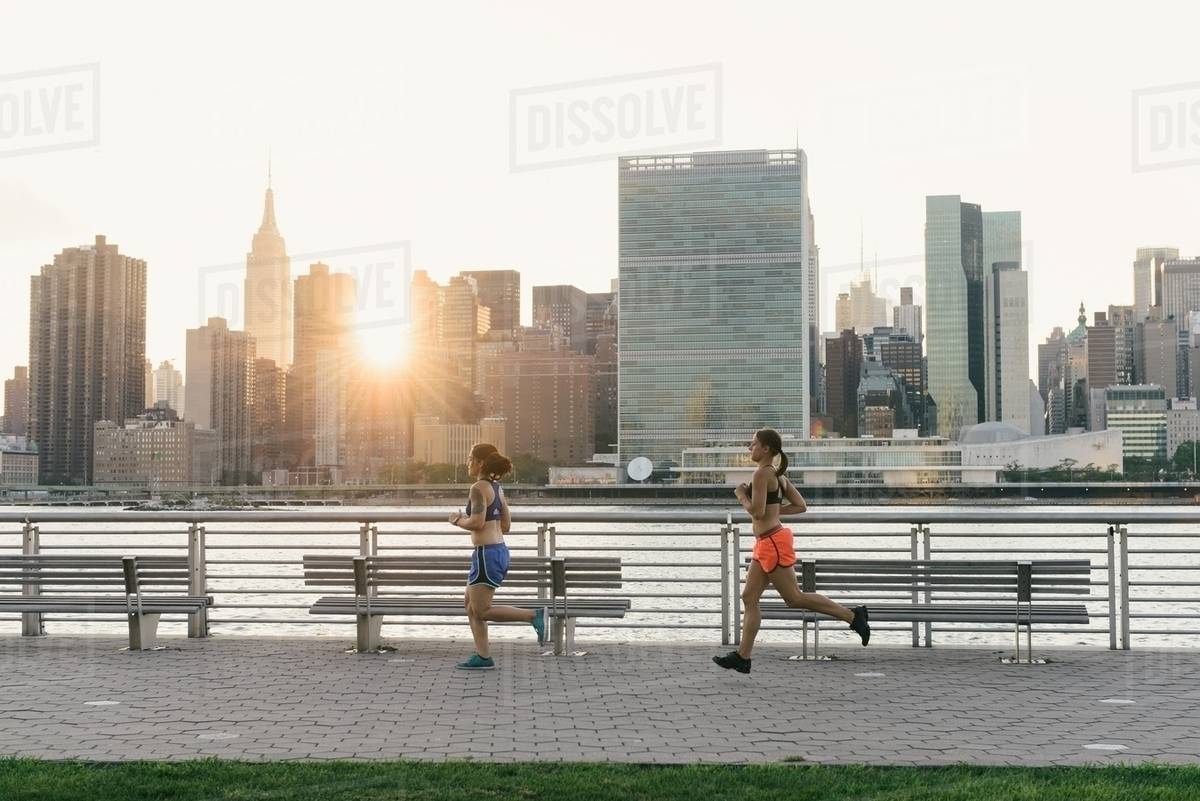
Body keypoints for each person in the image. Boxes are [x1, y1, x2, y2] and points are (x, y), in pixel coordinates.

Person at [713, 428, 870, 674]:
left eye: (753, 444)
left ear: (766, 449)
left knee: (794, 598)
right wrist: (775, 511)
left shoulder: (761, 474)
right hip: (766, 543)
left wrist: (741, 495)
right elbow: (800, 506)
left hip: (772, 544)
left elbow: (756, 511)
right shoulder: (778, 474)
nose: (749, 448)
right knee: (749, 598)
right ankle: (742, 657)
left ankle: (853, 616)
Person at [449, 443, 547, 670]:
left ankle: (533, 615)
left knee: (482, 610)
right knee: (470, 605)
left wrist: (456, 519)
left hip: (486, 555)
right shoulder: (497, 488)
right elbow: (506, 524)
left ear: (480, 462)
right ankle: (482, 657)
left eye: (470, 458)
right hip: (498, 551)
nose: (467, 462)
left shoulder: (477, 488)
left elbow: (476, 523)